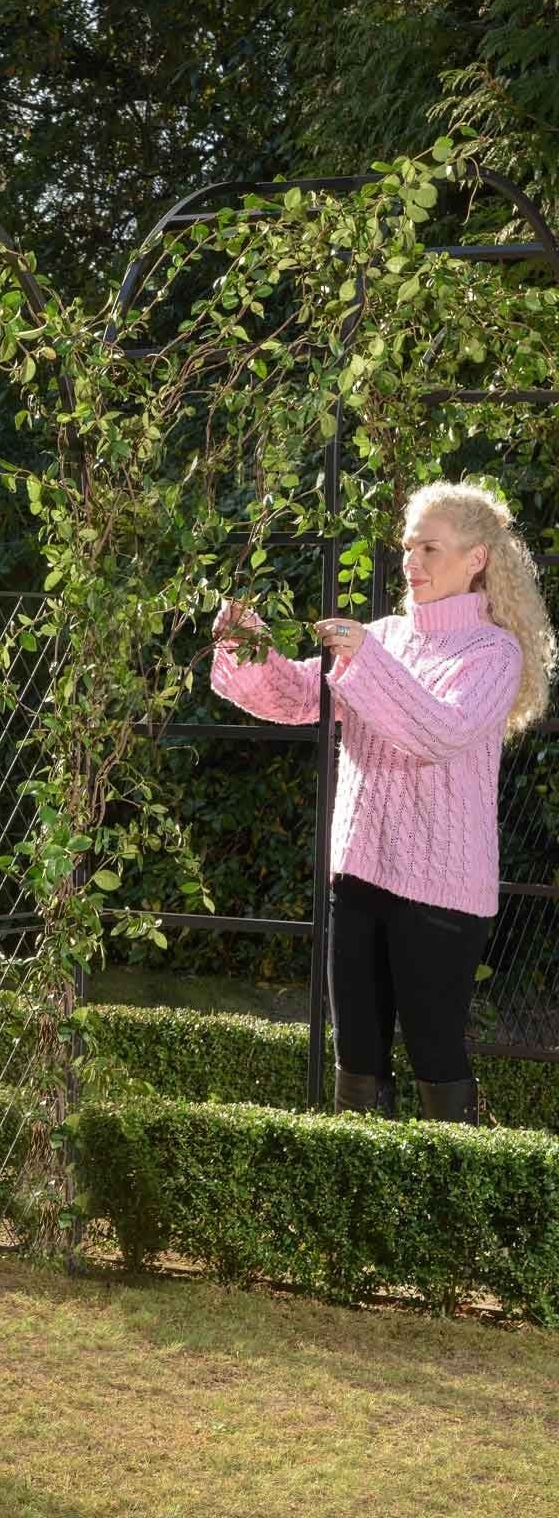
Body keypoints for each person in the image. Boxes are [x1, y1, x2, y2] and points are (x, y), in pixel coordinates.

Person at [211, 481, 556, 1123]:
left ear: (476, 558)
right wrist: (247, 645)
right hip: (359, 873)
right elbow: (299, 698)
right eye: (407, 546)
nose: (411, 561)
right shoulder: (385, 636)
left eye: (430, 548)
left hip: (442, 888)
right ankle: (354, 1179)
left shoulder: (493, 653)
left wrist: (365, 658)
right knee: (357, 1062)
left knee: (435, 1055)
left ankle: (454, 1180)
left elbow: (439, 732)